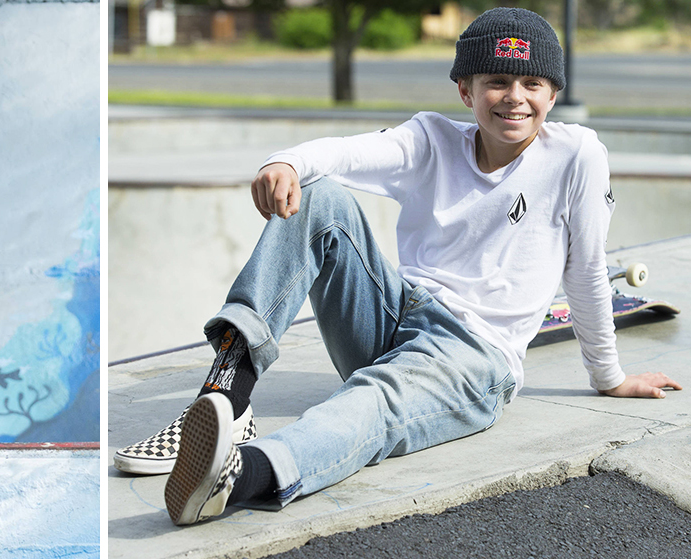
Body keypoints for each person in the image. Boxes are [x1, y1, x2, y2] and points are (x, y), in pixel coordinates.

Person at [114, 7, 683, 526]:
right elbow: (345, 153)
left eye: (532, 84)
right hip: (393, 317)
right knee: (318, 195)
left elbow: (585, 268)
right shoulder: (430, 139)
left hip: (472, 356)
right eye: (497, 83)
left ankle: (242, 477)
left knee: (371, 405)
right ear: (466, 90)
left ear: (553, 95)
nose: (515, 98)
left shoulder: (577, 156)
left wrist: (608, 377)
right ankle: (228, 390)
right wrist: (284, 161)